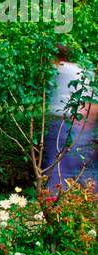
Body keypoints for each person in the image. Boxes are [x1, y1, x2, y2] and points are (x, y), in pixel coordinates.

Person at [44, 46, 98, 192]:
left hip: (68, 125)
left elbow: (91, 103)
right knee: (74, 168)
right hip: (73, 124)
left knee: (61, 169)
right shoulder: (78, 71)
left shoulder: (63, 70)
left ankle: (54, 202)